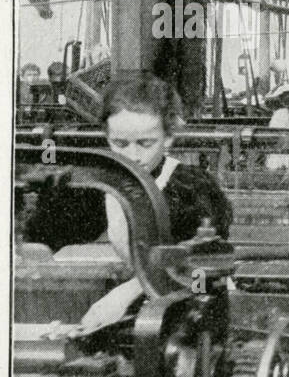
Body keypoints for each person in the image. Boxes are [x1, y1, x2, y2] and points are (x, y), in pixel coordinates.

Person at [37, 76, 233, 330]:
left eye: (145, 143)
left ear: (169, 137)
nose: (131, 156)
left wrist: (128, 292)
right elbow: (52, 232)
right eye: (119, 144)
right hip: (145, 315)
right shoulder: (105, 186)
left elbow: (200, 273)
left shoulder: (193, 190)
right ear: (106, 137)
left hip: (198, 318)